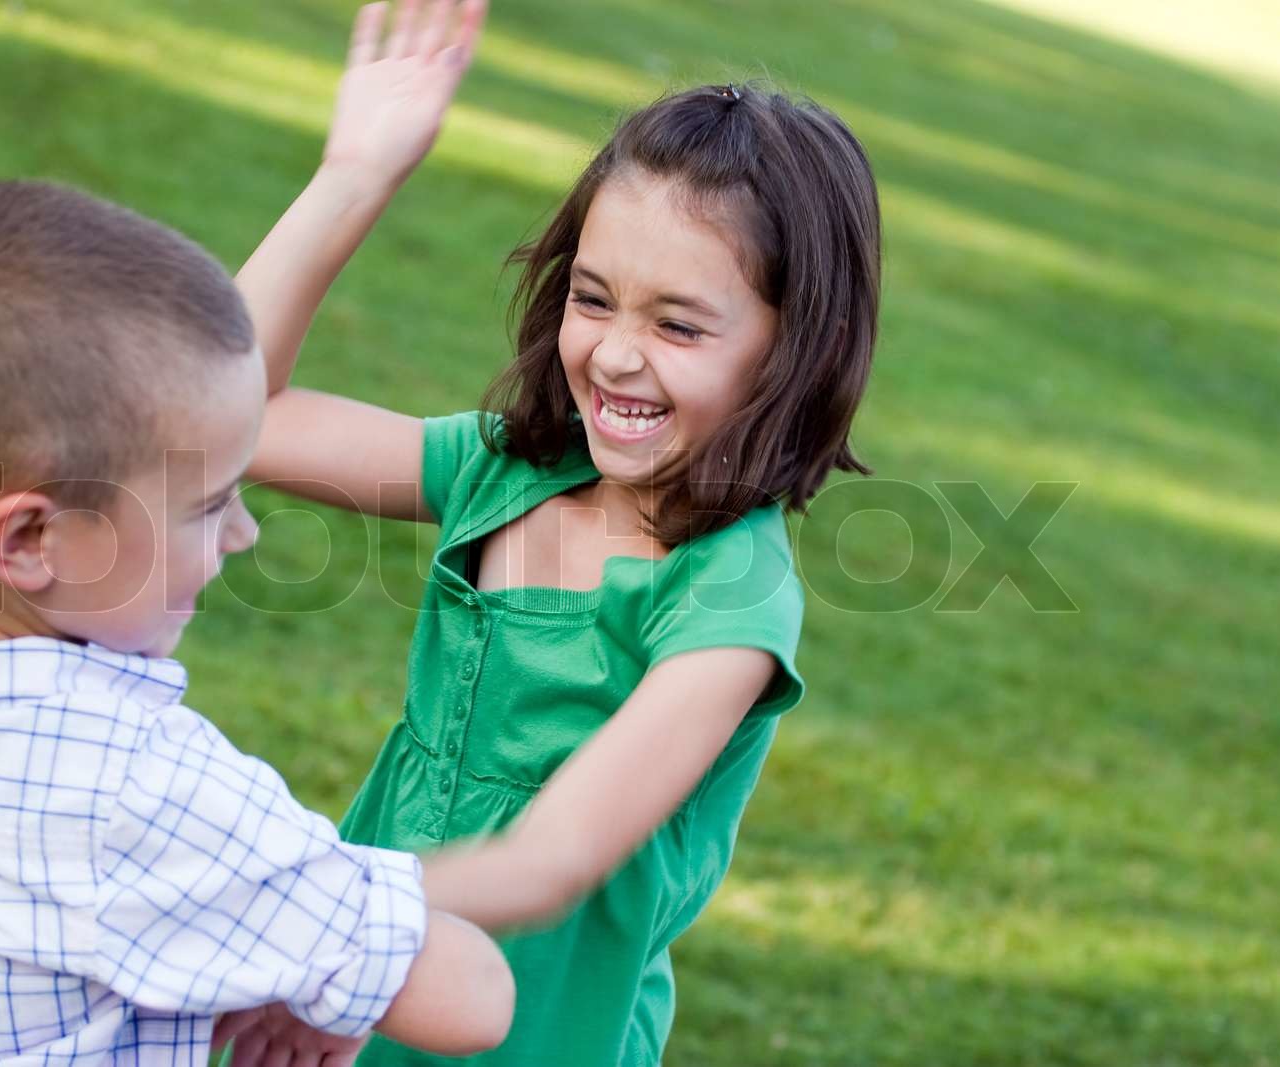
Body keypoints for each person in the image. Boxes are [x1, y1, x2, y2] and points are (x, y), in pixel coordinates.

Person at [0, 178, 513, 1067]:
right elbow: (469, 997)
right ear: (30, 538)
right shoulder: (137, 786)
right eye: (209, 503)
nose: (245, 534)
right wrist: (322, 969)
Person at [229, 1, 883, 1063]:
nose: (617, 356)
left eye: (676, 323)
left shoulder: (728, 596)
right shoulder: (503, 469)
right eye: (594, 298)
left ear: (796, 348)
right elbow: (234, 416)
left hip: (531, 1030)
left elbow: (551, 857)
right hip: (363, 1002)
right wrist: (352, 176)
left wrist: (328, 926)